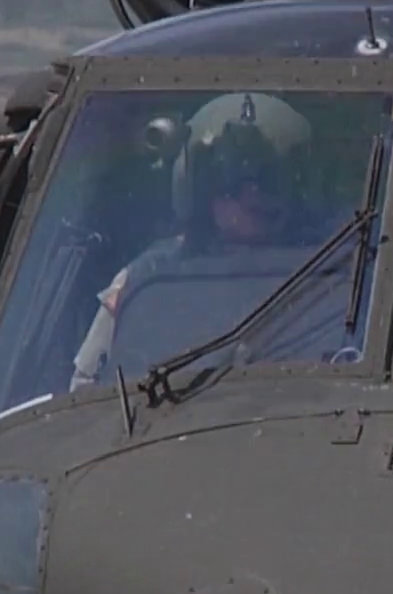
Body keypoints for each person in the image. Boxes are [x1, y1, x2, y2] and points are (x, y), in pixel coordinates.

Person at [69, 91, 311, 388]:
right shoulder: (145, 277)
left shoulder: (333, 271)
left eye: (269, 178)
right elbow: (86, 387)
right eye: (233, 179)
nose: (253, 195)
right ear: (200, 185)